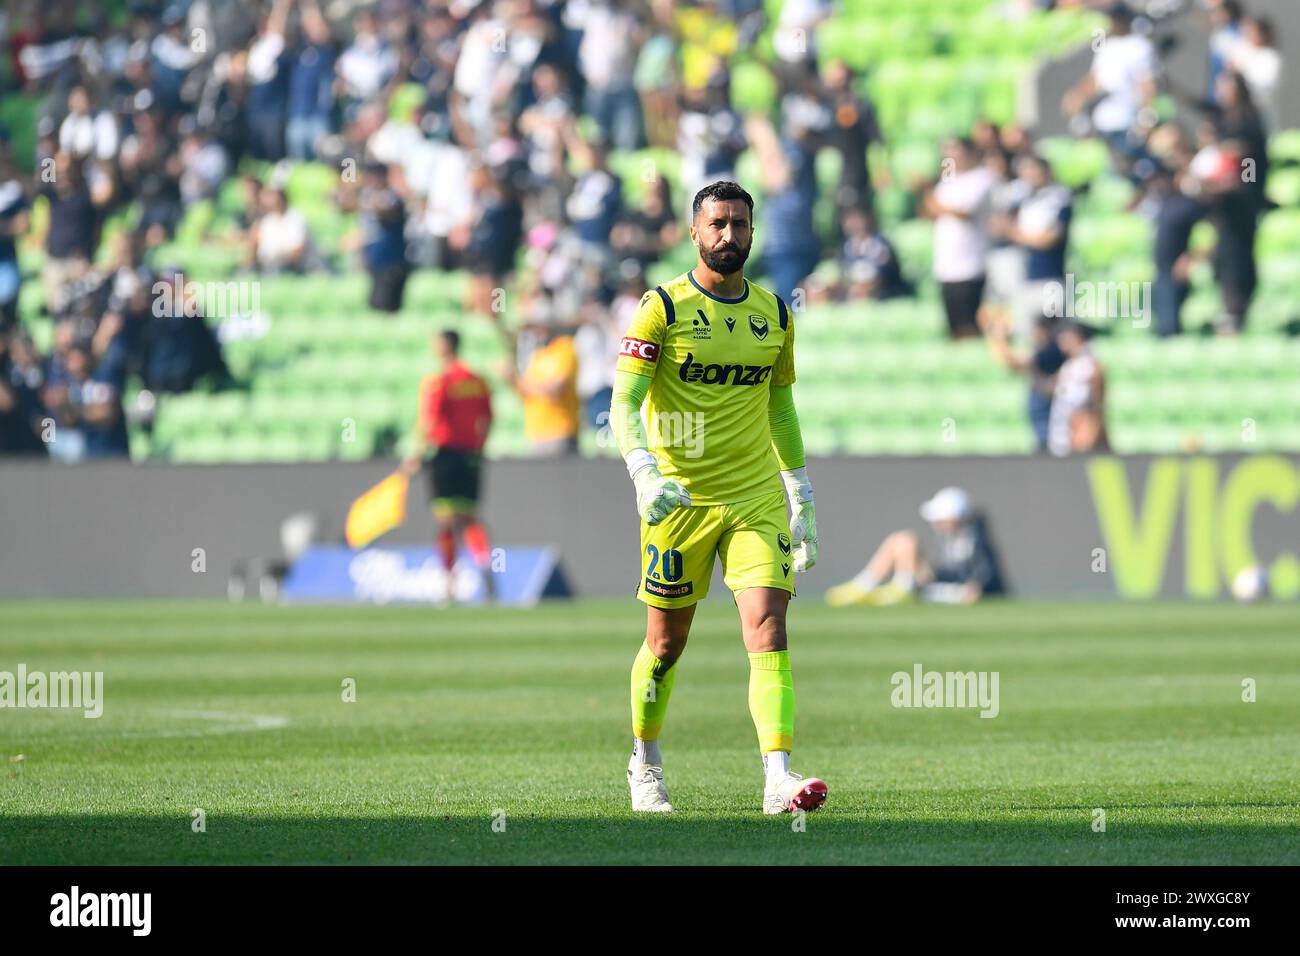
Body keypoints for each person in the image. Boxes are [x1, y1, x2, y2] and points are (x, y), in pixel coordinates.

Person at [608, 180, 826, 816]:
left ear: (753, 232)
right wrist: (643, 472)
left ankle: (777, 778)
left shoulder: (774, 313)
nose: (729, 236)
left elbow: (779, 402)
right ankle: (644, 762)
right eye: (718, 225)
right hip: (679, 500)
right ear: (694, 232)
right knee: (667, 644)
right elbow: (622, 402)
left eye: (739, 224)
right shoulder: (662, 310)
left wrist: (799, 487)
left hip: (754, 495)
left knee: (768, 627)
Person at [402, 330, 495, 603]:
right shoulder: (477, 381)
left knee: (445, 520)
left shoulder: (439, 381)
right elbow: (488, 418)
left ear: (443, 346)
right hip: (471, 456)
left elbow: (429, 422)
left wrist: (416, 455)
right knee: (469, 518)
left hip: (445, 455)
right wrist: (479, 447)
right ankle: (485, 567)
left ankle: (449, 583)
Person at [825, 487, 1005, 607]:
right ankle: (863, 586)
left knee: (907, 541)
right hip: (938, 583)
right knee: (903, 540)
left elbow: (976, 586)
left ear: (955, 518)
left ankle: (902, 589)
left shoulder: (975, 540)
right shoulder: (952, 536)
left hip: (952, 590)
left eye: (942, 519)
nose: (937, 523)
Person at [924, 137, 995, 339]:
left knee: (969, 325)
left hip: (970, 263)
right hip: (947, 264)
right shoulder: (949, 179)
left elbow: (961, 212)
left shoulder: (982, 178)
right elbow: (930, 211)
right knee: (953, 326)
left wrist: (928, 193)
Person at [1049, 322, 1108, 457]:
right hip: (1062, 423)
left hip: (1081, 422)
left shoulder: (1090, 364)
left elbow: (1097, 399)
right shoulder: (1067, 365)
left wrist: (1091, 425)